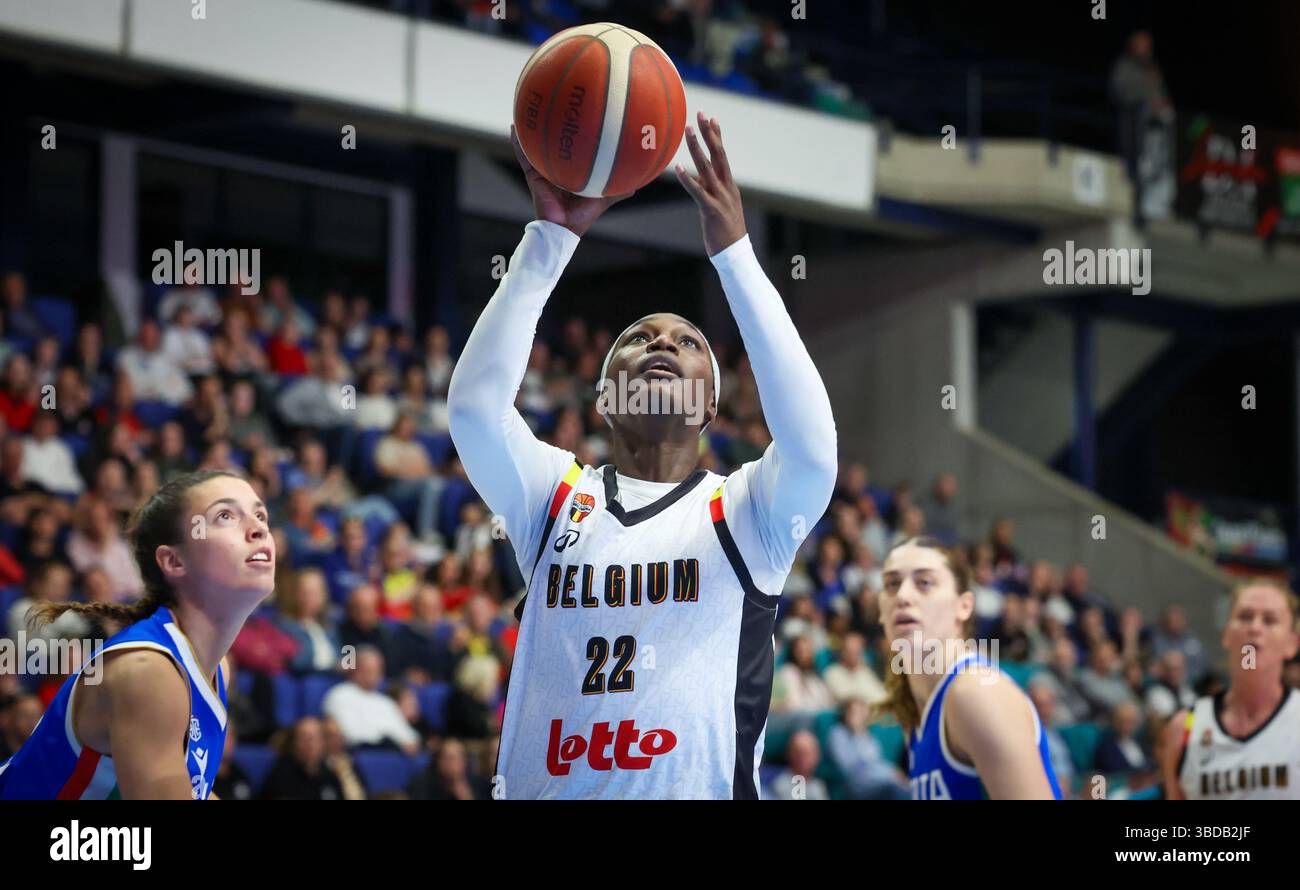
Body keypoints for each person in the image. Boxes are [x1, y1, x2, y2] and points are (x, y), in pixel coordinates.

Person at [447, 113, 837, 799]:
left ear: (710, 404)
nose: (661, 343)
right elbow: (476, 412)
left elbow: (812, 449)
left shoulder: (745, 509)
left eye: (686, 342)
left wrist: (735, 256)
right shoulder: (553, 496)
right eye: (639, 337)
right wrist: (550, 241)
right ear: (604, 395)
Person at [0, 470, 274, 799]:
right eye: (225, 515)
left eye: (260, 514)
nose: (259, 528)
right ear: (173, 561)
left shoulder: (215, 668)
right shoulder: (148, 671)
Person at [876, 537, 1062, 799]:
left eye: (924, 583)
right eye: (892, 584)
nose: (903, 596)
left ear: (963, 606)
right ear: (880, 611)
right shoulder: (917, 714)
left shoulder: (975, 694)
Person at [1162, 579, 1300, 800]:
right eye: (1245, 616)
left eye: (1269, 620)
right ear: (1226, 634)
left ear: (1292, 643)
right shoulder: (1184, 728)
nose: (1255, 628)